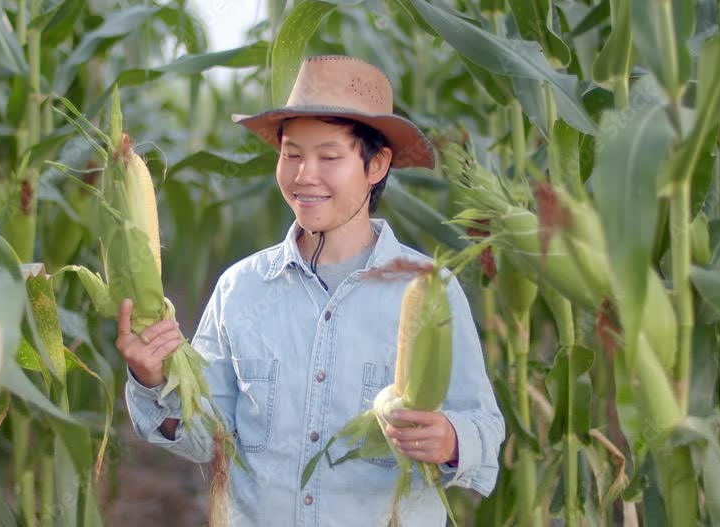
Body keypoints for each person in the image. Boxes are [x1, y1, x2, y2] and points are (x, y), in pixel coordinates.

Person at [118, 55, 505, 526]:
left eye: (329, 157)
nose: (305, 175)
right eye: (292, 154)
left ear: (376, 164)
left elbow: (485, 427)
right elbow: (206, 439)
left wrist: (450, 440)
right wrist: (153, 380)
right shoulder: (240, 289)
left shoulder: (428, 291)